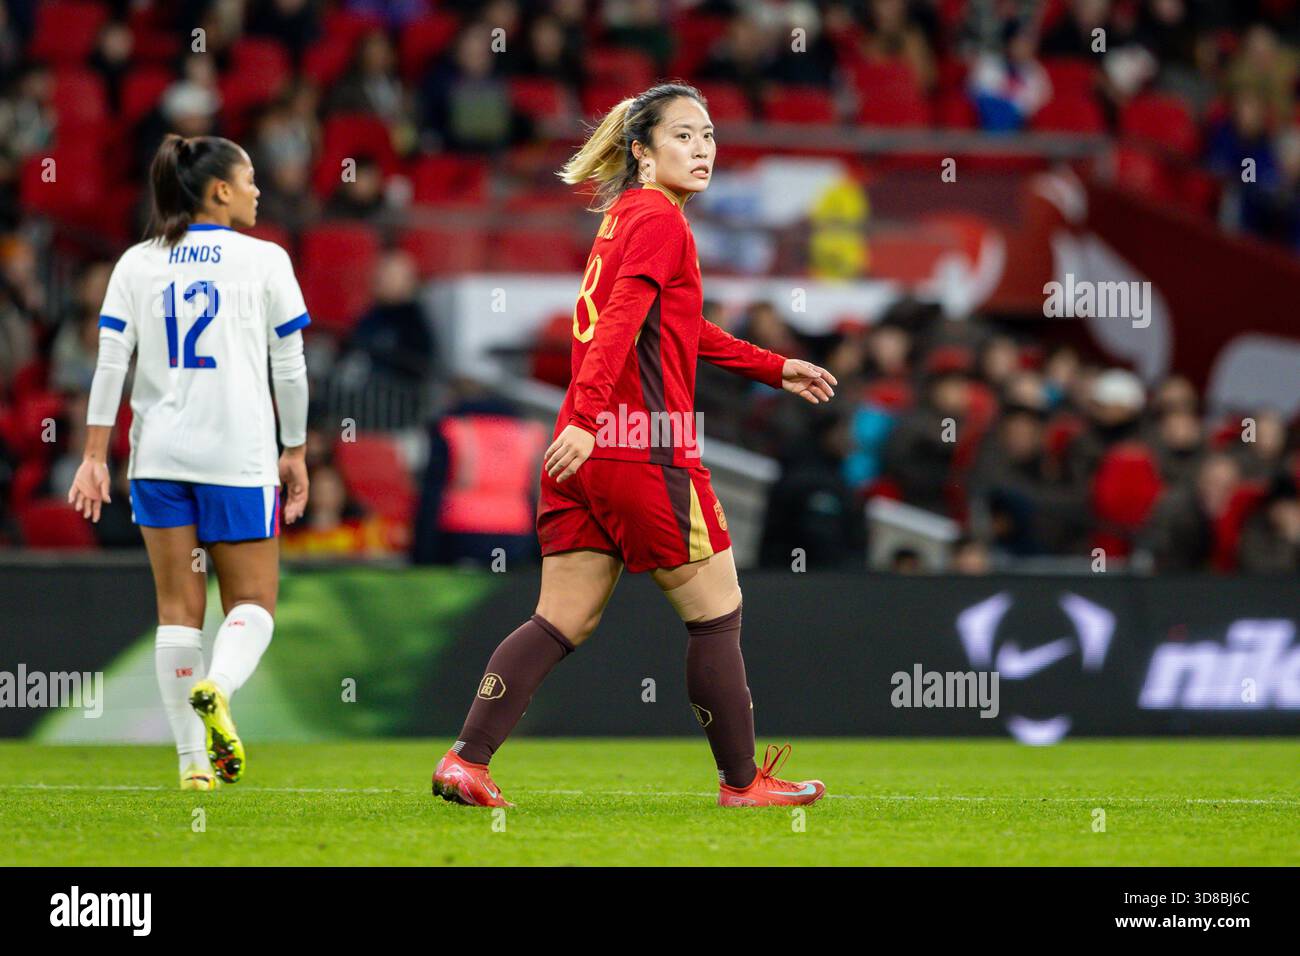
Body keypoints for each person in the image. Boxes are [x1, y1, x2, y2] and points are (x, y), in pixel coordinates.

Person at [432, 84, 838, 809]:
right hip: (641, 445)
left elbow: (676, 329)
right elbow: (620, 323)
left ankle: (468, 760)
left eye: (709, 134)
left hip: (585, 453)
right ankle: (743, 783)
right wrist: (591, 418)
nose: (704, 147)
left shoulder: (626, 216)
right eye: (684, 136)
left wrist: (774, 366)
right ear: (643, 153)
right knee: (717, 610)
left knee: (561, 619)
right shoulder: (661, 221)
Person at [66, 134, 311, 790]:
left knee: (177, 608)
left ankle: (191, 766)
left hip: (158, 455)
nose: (259, 190)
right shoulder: (264, 261)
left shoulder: (136, 264)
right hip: (237, 453)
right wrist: (295, 447)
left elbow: (111, 362)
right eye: (250, 178)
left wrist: (93, 455)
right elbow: (289, 365)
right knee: (254, 600)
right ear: (220, 191)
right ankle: (219, 686)